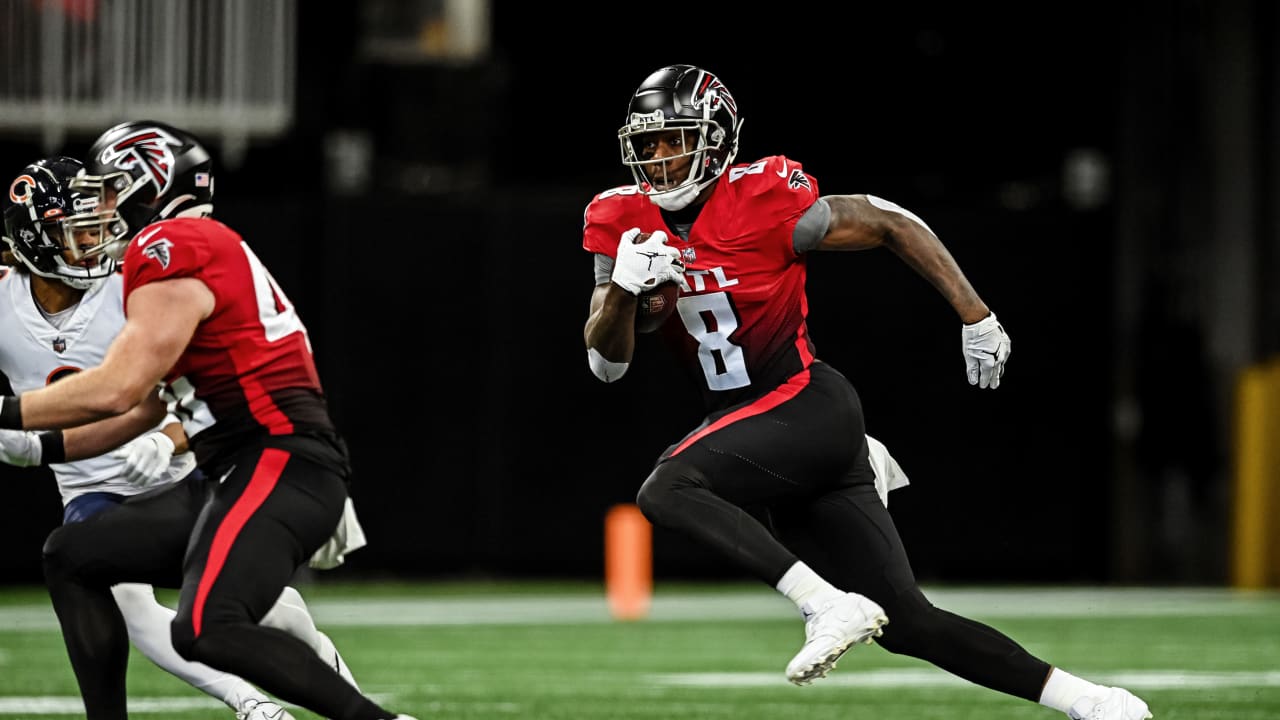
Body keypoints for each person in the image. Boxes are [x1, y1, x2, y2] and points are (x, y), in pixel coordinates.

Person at [580, 64, 1153, 720]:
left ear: (716, 137)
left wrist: (976, 314)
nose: (658, 157)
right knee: (910, 624)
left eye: (674, 138)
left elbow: (888, 221)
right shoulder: (619, 218)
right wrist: (623, 286)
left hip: (806, 404)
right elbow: (607, 365)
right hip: (761, 439)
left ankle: (826, 604)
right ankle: (1095, 702)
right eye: (647, 143)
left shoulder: (765, 199)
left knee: (667, 488)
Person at [0, 123, 415, 720]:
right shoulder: (188, 244)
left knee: (205, 626)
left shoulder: (167, 246)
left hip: (268, 457)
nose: (105, 213)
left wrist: (11, 415)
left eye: (113, 191)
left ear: (149, 183)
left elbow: (121, 389)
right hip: (246, 461)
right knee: (72, 556)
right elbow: (140, 404)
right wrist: (41, 451)